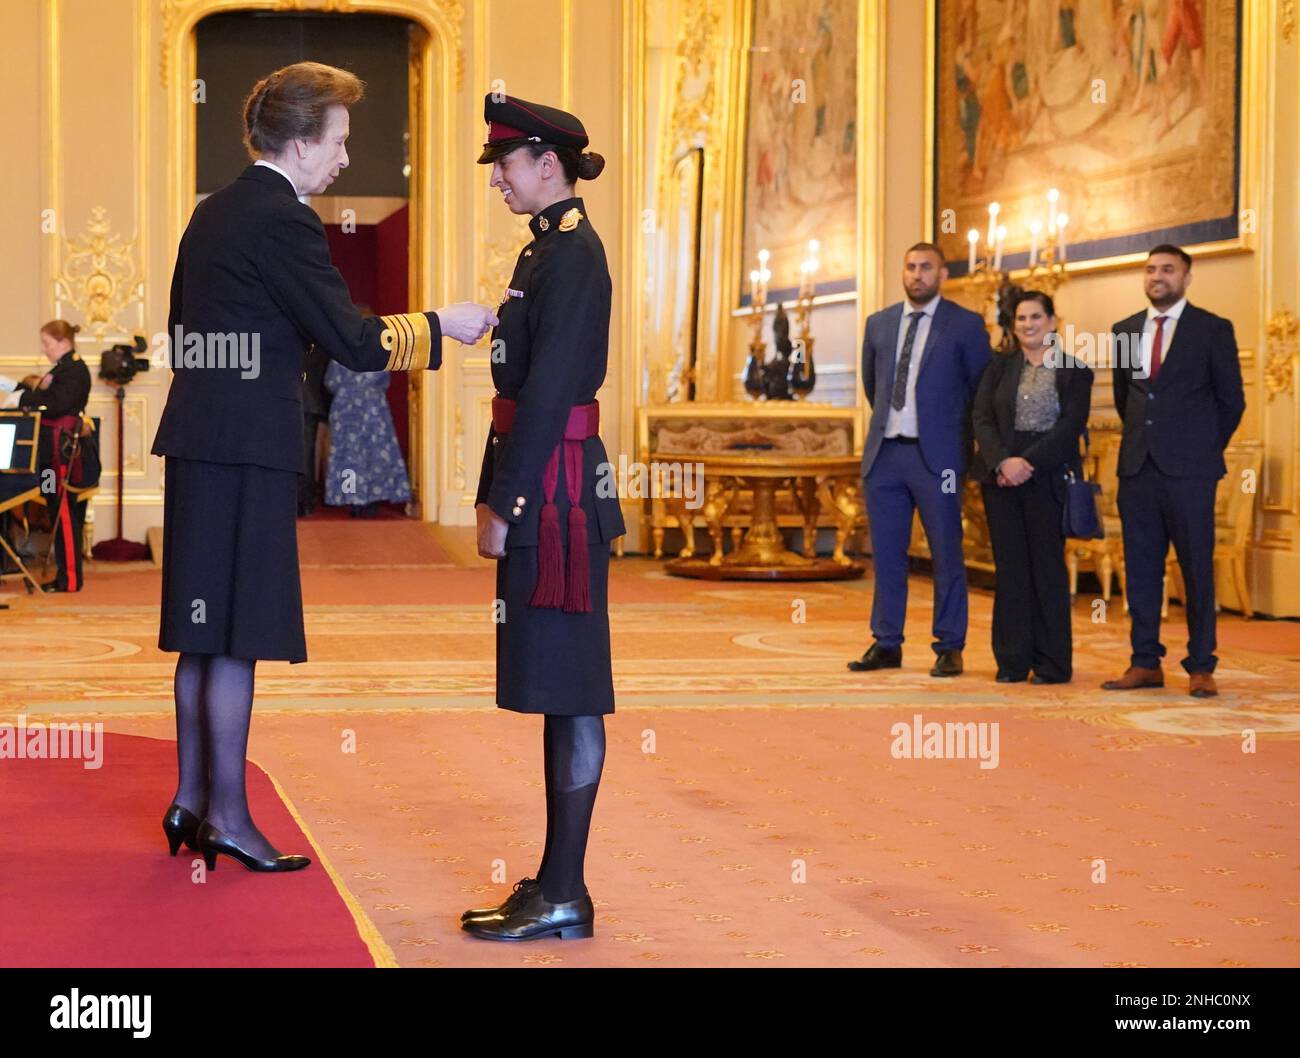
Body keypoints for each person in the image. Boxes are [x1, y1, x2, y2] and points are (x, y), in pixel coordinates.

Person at [151, 61, 496, 872]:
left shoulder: (214, 212)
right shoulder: (285, 219)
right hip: (248, 448)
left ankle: (192, 799)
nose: (345, 158)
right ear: (302, 143)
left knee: (201, 636)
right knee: (234, 635)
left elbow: (187, 330)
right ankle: (229, 816)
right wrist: (442, 323)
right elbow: (353, 340)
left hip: (199, 438)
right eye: (338, 141)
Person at [459, 93, 625, 942]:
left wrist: (505, 504)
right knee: (559, 687)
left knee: (571, 688)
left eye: (505, 166)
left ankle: (566, 891)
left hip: (557, 494)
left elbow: (552, 392)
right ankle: (558, 881)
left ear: (545, 162)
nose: (498, 182)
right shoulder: (546, 253)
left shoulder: (572, 256)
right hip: (548, 480)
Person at [1102, 244, 1244, 698]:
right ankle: (1144, 662)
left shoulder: (1212, 329)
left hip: (1191, 473)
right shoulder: (1124, 330)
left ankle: (1201, 664)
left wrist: (1201, 450)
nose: (1156, 276)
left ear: (1186, 276)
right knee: (1141, 568)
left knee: (1196, 568)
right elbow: (1128, 401)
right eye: (1150, 270)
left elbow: (1231, 401)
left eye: (1167, 269)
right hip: (1138, 469)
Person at [848, 243, 991, 677]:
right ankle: (886, 641)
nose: (917, 275)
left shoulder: (965, 326)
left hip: (941, 459)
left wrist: (962, 447)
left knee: (946, 551)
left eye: (926, 267)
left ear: (942, 274)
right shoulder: (879, 324)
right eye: (910, 267)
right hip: (886, 455)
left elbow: (979, 392)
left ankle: (950, 644)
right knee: (888, 555)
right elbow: (874, 386)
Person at [971, 290, 1092, 684]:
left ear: (1052, 321)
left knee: (1046, 569)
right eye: (1021, 319)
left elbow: (1071, 426)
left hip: (1049, 474)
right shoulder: (998, 367)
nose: (1028, 325)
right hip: (1001, 476)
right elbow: (982, 417)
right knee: (1010, 570)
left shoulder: (1074, 370)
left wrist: (1029, 462)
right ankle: (1011, 661)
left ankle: (1051, 664)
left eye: (1036, 317)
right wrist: (1003, 461)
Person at [11, 320, 93, 593]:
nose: (45, 350)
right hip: (49, 453)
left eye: (47, 343)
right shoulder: (62, 368)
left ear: (63, 342)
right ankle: (63, 575)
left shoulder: (73, 369)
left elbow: (56, 405)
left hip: (60, 453)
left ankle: (69, 579)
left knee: (64, 513)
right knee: (54, 507)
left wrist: (22, 400)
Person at [322, 357, 411, 517]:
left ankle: (351, 497)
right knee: (374, 454)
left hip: (346, 408)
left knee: (349, 457)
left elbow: (331, 381)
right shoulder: (377, 352)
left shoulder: (339, 354)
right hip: (373, 407)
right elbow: (385, 380)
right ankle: (372, 498)